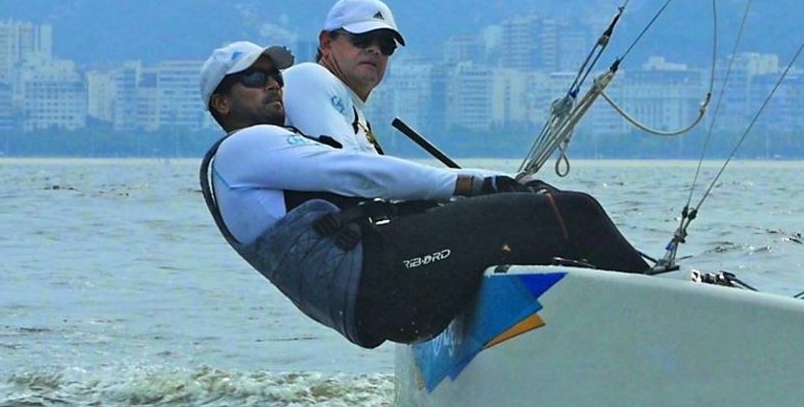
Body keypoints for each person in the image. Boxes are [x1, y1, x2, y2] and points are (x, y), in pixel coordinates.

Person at [199, 41, 649, 349]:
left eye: (275, 75)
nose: (274, 83)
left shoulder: (259, 157)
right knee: (570, 212)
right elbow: (360, 174)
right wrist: (476, 182)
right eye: (255, 77)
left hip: (372, 301)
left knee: (537, 242)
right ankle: (664, 313)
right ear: (222, 104)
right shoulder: (244, 147)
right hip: (377, 280)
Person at [282, 0, 403, 154]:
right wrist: (438, 178)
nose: (375, 50)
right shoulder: (309, 78)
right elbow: (346, 168)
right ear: (326, 43)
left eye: (386, 45)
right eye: (362, 39)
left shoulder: (356, 118)